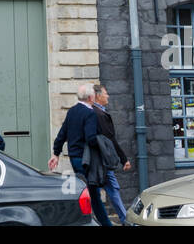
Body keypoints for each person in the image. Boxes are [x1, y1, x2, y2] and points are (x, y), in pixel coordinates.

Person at [48, 85, 110, 227]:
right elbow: (91, 138)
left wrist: (56, 153)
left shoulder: (72, 111)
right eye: (94, 95)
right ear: (90, 97)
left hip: (75, 158)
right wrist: (103, 144)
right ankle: (104, 223)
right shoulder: (90, 113)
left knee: (85, 191)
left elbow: (62, 134)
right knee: (93, 194)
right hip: (87, 160)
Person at [92, 84, 132, 225]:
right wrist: (123, 159)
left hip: (96, 160)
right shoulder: (99, 114)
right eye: (105, 93)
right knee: (112, 188)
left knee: (98, 190)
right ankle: (124, 219)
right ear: (98, 96)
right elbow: (109, 138)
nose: (108, 96)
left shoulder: (95, 112)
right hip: (102, 160)